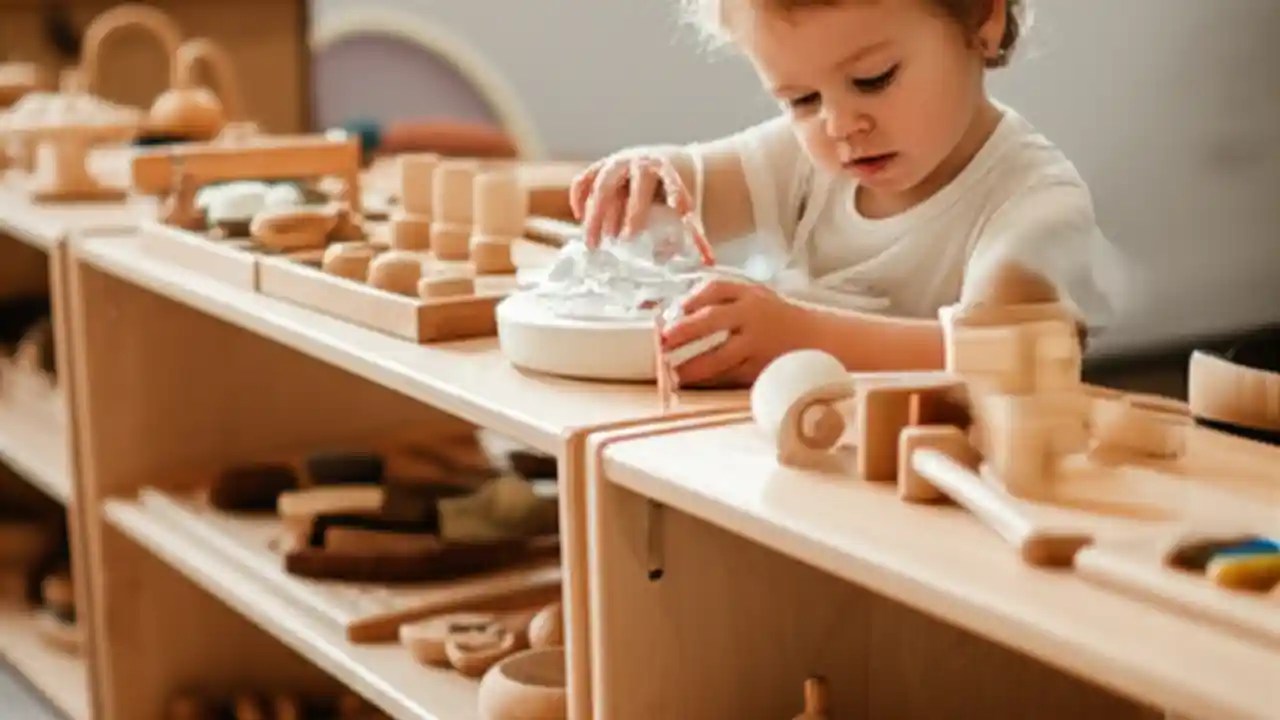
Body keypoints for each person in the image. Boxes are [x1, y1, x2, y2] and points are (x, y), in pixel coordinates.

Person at [569, 0, 1124, 386]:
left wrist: (797, 335)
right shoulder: (809, 163)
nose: (838, 125)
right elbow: (692, 181)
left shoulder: (1033, 203)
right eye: (801, 100)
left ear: (982, 17)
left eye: (873, 79)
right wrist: (647, 172)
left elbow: (1016, 359)